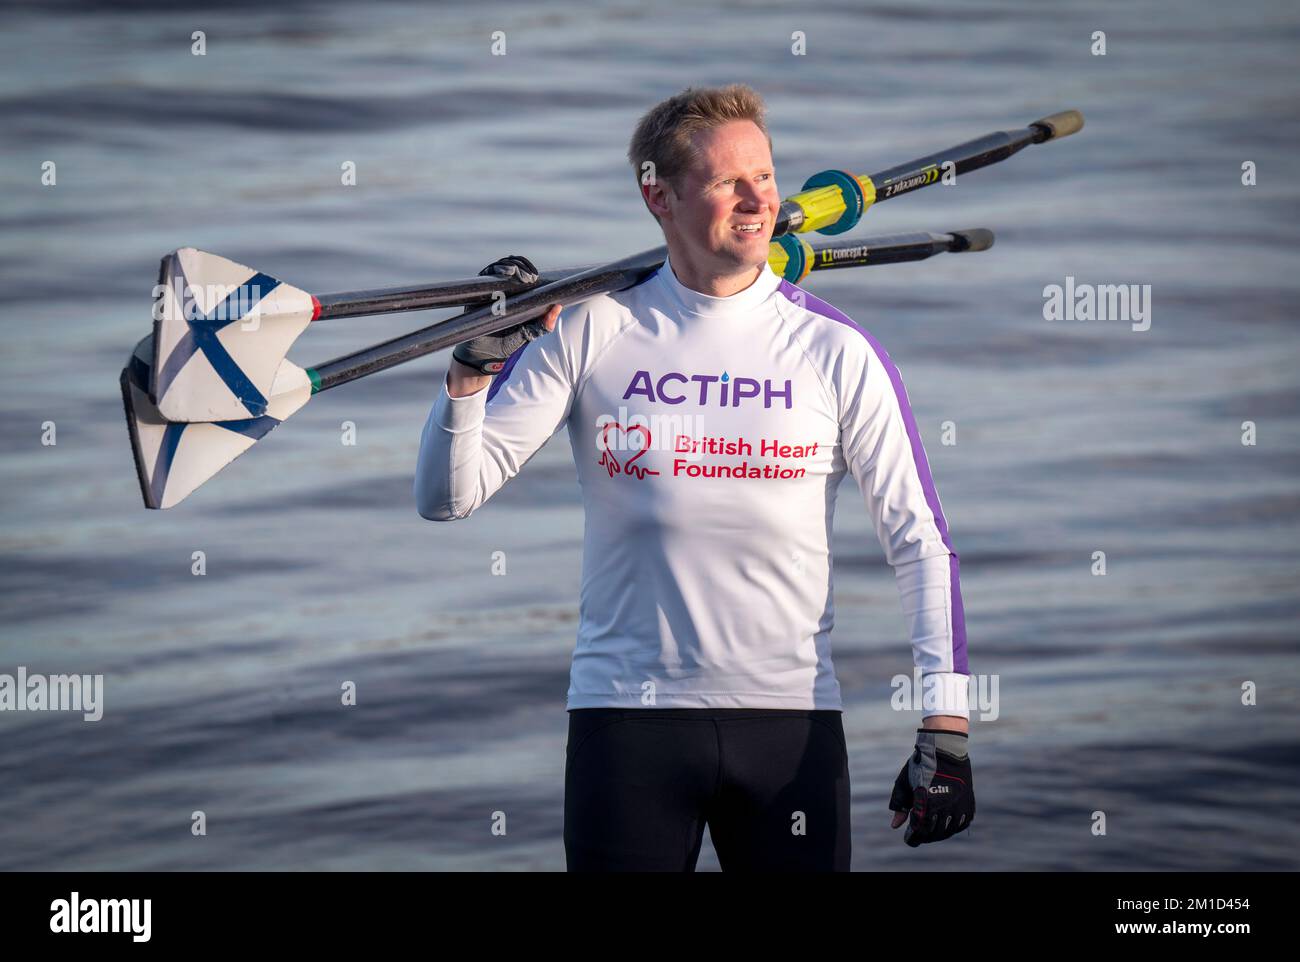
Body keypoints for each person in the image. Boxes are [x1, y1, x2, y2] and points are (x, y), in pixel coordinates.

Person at [415, 84, 974, 871]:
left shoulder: (836, 350)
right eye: (727, 183)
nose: (759, 202)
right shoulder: (589, 329)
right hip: (625, 726)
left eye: (767, 178)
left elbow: (921, 542)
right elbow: (446, 497)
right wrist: (472, 368)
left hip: (791, 730)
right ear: (660, 195)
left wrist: (944, 730)